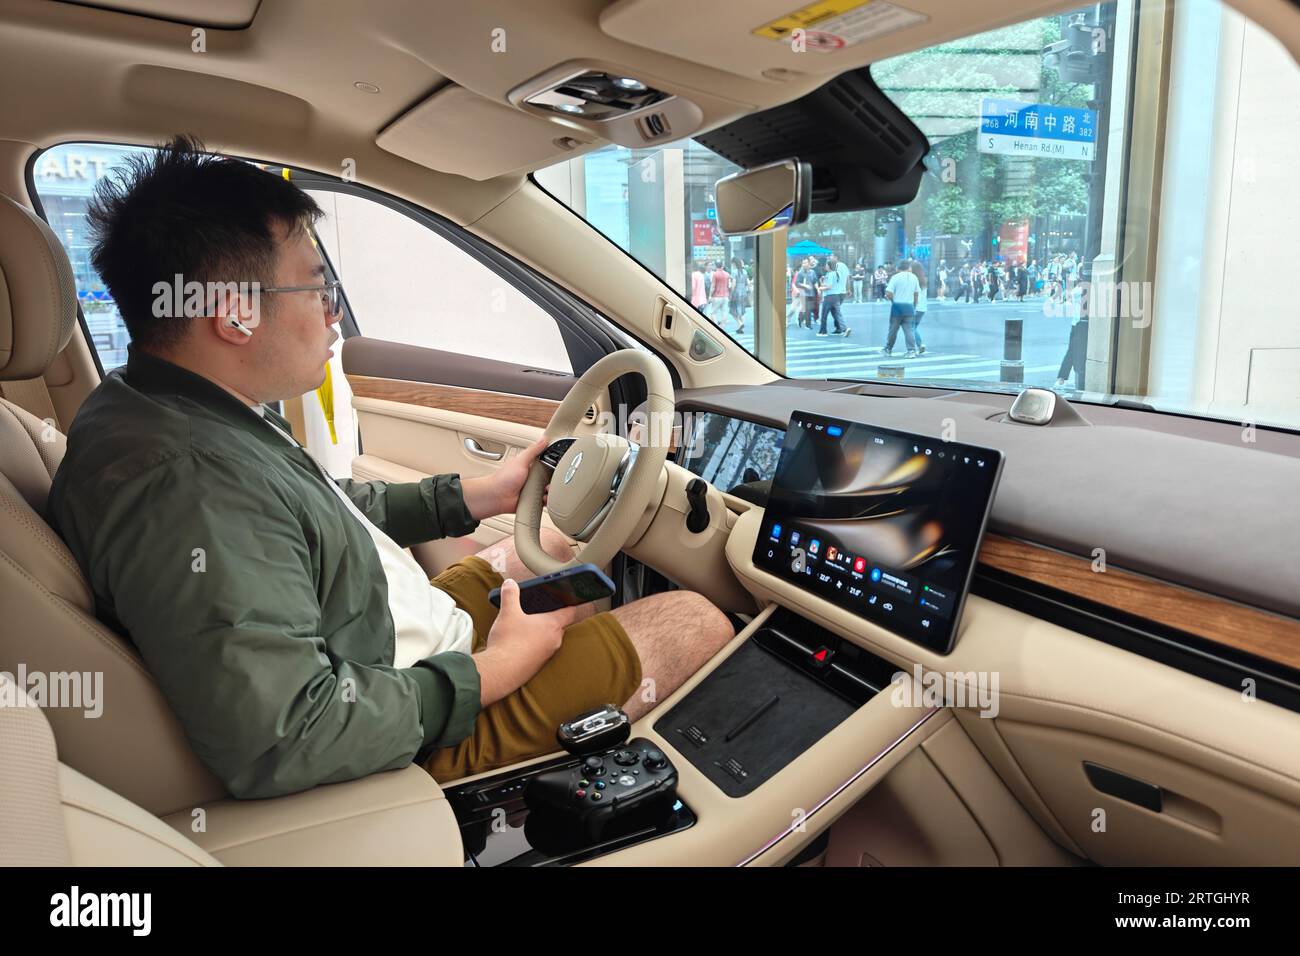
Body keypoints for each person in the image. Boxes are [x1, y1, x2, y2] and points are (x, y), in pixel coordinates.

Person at [44, 136, 734, 799]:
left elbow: (307, 513)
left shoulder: (158, 400)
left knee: (555, 544)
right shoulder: (186, 486)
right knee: (696, 620)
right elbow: (286, 736)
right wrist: (496, 669)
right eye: (316, 290)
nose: (334, 313)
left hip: (380, 628)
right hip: (410, 724)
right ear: (233, 317)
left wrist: (480, 494)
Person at [1054, 275, 1088, 389]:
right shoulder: (1080, 290)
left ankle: (1062, 378)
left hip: (1076, 323)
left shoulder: (1076, 290)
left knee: (1072, 350)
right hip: (1079, 324)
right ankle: (1063, 378)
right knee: (1074, 351)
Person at [883, 258, 920, 356]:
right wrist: (914, 305)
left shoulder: (895, 277)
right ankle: (911, 350)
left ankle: (888, 349)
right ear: (908, 268)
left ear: (898, 268)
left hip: (897, 306)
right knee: (909, 329)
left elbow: (889, 293)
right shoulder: (914, 277)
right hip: (909, 306)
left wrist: (893, 301)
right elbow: (916, 294)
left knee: (893, 329)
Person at [817, 252, 852, 337]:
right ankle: (840, 328)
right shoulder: (844, 266)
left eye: (831, 256)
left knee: (831, 311)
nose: (829, 257)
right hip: (842, 292)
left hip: (834, 292)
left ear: (836, 257)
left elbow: (832, 283)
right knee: (835, 311)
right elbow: (847, 278)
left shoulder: (834, 268)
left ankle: (825, 330)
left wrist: (822, 286)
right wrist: (848, 289)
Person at [908, 260, 929, 355]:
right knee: (913, 327)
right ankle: (918, 345)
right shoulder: (923, 280)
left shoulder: (913, 280)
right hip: (922, 309)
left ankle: (920, 344)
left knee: (911, 327)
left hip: (914, 307)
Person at [727, 256, 750, 334]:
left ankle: (740, 323)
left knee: (732, 310)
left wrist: (731, 293)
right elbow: (747, 283)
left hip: (736, 292)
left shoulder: (734, 271)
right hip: (743, 292)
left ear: (734, 263)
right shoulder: (745, 271)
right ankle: (740, 326)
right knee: (740, 308)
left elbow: (733, 283)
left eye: (732, 263)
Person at [708, 259, 731, 326]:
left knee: (713, 312)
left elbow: (713, 286)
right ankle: (722, 327)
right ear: (722, 265)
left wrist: (710, 296)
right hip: (725, 296)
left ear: (716, 265)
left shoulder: (715, 274)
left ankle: (716, 326)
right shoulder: (727, 274)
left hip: (717, 296)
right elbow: (729, 285)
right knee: (724, 312)